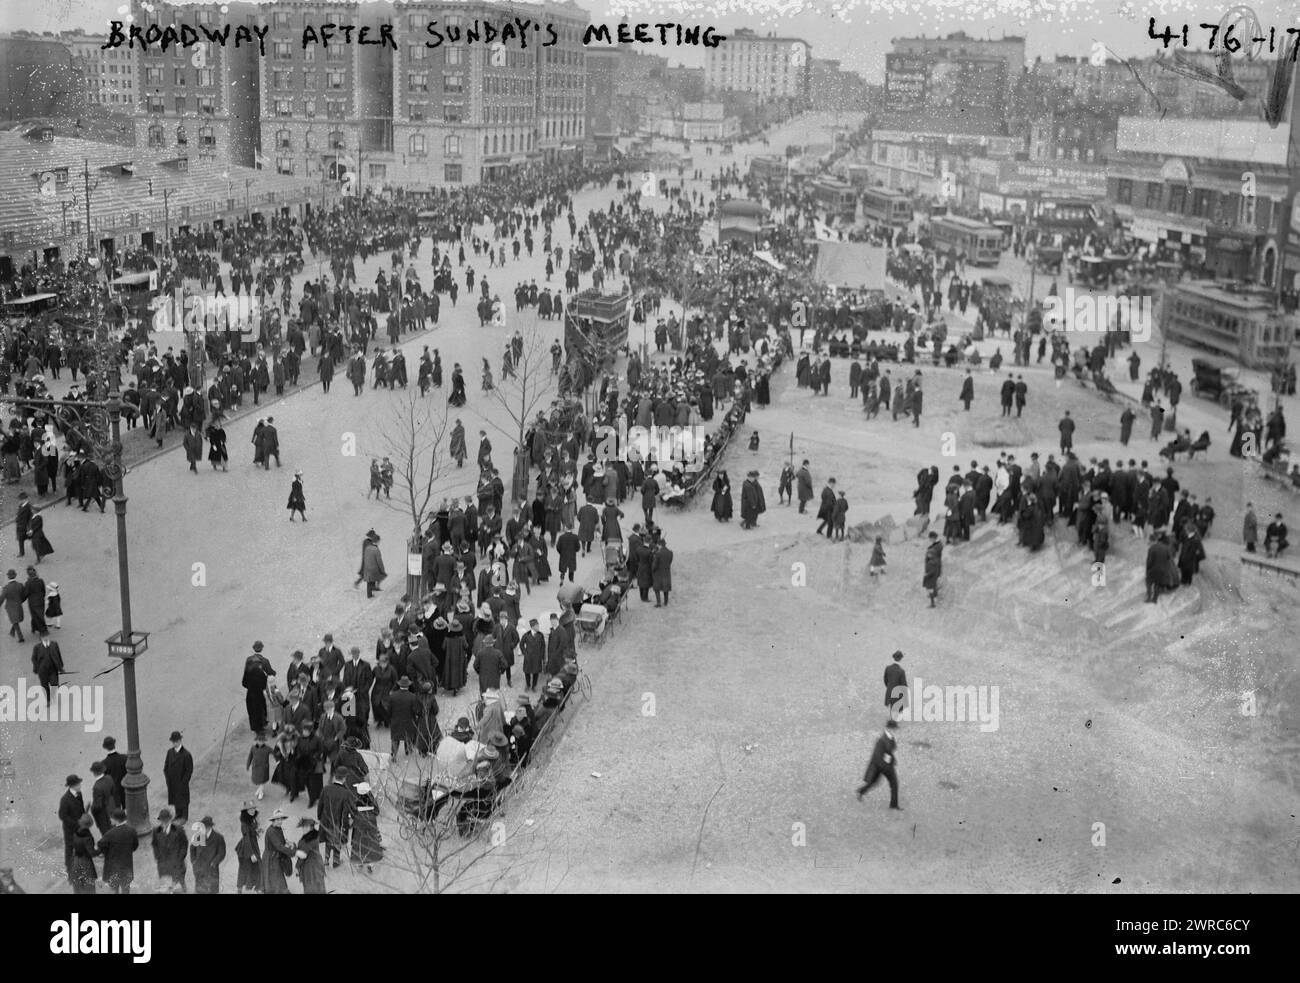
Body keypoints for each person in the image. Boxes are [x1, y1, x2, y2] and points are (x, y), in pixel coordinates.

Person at [857, 720, 901, 809]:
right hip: (880, 766)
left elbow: (889, 751)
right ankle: (861, 791)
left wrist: (892, 759)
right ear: (888, 729)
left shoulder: (891, 738)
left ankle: (893, 805)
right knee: (874, 782)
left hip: (886, 765)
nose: (895, 731)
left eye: (895, 729)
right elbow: (877, 756)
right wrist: (885, 766)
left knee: (893, 784)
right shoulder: (881, 740)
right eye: (893, 729)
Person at [98, 807, 138, 894]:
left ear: (115, 820)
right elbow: (135, 846)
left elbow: (101, 845)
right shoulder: (132, 831)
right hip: (126, 866)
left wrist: (107, 853)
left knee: (114, 889)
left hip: (113, 868)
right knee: (126, 889)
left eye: (111, 818)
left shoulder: (110, 834)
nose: (110, 819)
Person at [152, 807, 188, 892]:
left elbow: (184, 844)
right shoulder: (156, 831)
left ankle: (182, 885)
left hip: (177, 862)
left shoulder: (179, 830)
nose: (164, 823)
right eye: (162, 821)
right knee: (165, 884)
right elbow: (154, 844)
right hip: (163, 863)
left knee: (179, 881)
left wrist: (180, 857)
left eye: (166, 820)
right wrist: (157, 856)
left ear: (170, 819)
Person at [58, 774, 86, 880]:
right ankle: (70, 870)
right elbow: (62, 815)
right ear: (72, 785)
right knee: (70, 849)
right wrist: (76, 824)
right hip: (70, 830)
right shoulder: (65, 799)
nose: (80, 785)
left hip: (80, 827)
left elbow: (82, 808)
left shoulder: (79, 794)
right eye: (78, 784)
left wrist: (83, 819)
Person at [190, 816, 227, 894]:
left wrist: (214, 862)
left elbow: (221, 853)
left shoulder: (218, 838)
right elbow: (192, 849)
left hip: (212, 870)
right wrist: (194, 861)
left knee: (212, 891)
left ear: (210, 827)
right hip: (200, 869)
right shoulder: (198, 837)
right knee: (199, 891)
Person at [261, 809, 295, 894]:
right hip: (270, 858)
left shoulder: (278, 828)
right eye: (278, 819)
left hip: (276, 856)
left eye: (281, 819)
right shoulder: (271, 831)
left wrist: (287, 842)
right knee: (276, 877)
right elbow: (279, 846)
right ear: (273, 820)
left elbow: (281, 841)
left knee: (275, 877)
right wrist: (292, 852)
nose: (280, 821)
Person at [163, 730, 193, 822]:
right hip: (172, 781)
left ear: (180, 741)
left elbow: (189, 770)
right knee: (175, 798)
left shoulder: (186, 755)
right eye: (173, 742)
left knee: (183, 798)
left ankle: (184, 816)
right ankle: (178, 814)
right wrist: (168, 778)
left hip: (181, 781)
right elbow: (166, 766)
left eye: (176, 741)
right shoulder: (170, 752)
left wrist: (184, 782)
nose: (174, 743)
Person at [295, 818, 327, 894]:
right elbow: (302, 849)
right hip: (316, 864)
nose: (304, 829)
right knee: (318, 886)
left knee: (311, 886)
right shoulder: (313, 835)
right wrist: (294, 846)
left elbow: (303, 855)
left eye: (306, 827)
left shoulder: (309, 839)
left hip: (310, 867)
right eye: (303, 827)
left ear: (312, 827)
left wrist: (297, 867)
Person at [235, 802, 262, 893]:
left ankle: (256, 887)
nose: (252, 811)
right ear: (246, 811)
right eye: (250, 809)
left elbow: (252, 832)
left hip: (252, 845)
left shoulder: (251, 819)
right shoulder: (244, 823)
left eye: (253, 808)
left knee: (255, 867)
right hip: (246, 848)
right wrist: (251, 854)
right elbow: (246, 838)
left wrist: (257, 831)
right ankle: (241, 888)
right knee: (245, 868)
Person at [356, 529, 387, 597]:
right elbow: (377, 559)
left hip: (368, 561)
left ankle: (371, 590)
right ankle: (370, 588)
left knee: (368, 576)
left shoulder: (367, 543)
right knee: (368, 576)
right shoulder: (369, 544)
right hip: (368, 561)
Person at [3, 568, 26, 642]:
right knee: (16, 619)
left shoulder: (6, 588)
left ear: (8, 577)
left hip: (10, 606)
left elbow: (2, 598)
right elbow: (24, 595)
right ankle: (12, 632)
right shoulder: (20, 585)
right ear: (15, 575)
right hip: (18, 605)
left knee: (14, 620)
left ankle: (21, 637)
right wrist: (20, 601)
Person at [923, 531, 943, 607]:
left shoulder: (935, 549)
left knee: (932, 584)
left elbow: (932, 557)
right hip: (935, 567)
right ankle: (934, 593)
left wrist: (927, 574)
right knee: (934, 581)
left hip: (933, 569)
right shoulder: (937, 545)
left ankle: (933, 599)